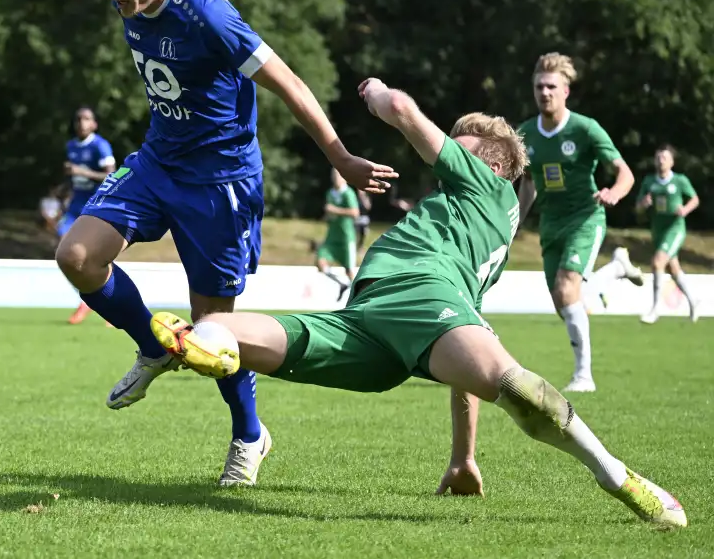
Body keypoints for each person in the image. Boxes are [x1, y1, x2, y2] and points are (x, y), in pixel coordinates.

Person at [147, 78, 686, 530]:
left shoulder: (487, 184)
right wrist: (463, 458)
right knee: (226, 326)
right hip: (382, 322)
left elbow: (403, 111)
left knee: (516, 385)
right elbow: (467, 345)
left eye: (461, 145)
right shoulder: (484, 238)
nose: (448, 152)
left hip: (406, 299)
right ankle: (199, 343)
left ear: (492, 164)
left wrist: (376, 90)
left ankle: (615, 474)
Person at [55, 0, 395, 486]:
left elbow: (287, 80)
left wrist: (339, 156)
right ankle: (152, 346)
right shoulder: (133, 3)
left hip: (221, 183)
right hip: (158, 163)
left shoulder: (209, 14)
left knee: (214, 331)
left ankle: (249, 435)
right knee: (77, 257)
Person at [516, 53, 643, 394]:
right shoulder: (526, 133)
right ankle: (615, 270)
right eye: (539, 86)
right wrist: (513, 221)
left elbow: (625, 173)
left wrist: (615, 193)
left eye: (552, 86)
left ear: (566, 91)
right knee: (565, 302)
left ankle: (583, 377)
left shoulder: (585, 128)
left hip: (585, 218)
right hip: (551, 224)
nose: (545, 92)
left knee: (566, 288)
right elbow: (527, 182)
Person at [59, 107, 117, 326]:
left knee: (97, 257)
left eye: (86, 119)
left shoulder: (100, 146)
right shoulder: (71, 146)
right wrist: (62, 192)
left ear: (94, 124)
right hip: (75, 207)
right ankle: (87, 299)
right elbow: (73, 178)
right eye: (78, 119)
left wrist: (81, 172)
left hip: (97, 207)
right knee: (64, 253)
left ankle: (110, 303)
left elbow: (112, 176)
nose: (82, 122)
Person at [636, 145, 700, 324]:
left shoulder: (679, 181)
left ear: (672, 162)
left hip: (675, 229)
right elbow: (638, 209)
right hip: (658, 230)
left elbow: (694, 199)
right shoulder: (649, 181)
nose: (660, 160)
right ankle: (693, 301)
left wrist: (685, 209)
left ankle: (655, 309)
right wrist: (644, 203)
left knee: (657, 262)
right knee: (673, 269)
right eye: (658, 157)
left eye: (664, 157)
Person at [315, 169, 359, 303]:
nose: (335, 178)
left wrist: (335, 210)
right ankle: (341, 283)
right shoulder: (330, 193)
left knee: (350, 271)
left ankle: (360, 300)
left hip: (346, 238)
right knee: (320, 262)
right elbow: (330, 213)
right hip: (331, 238)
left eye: (338, 176)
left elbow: (354, 212)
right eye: (333, 176)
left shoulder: (348, 193)